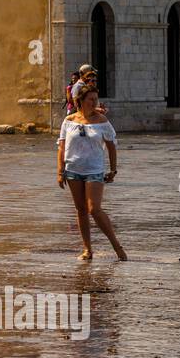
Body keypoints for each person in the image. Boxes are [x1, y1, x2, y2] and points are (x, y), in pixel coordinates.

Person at [56, 81, 126, 261]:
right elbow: (62, 147)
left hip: (94, 170)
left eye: (96, 99)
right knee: (81, 210)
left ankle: (117, 246)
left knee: (94, 209)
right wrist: (59, 170)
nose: (94, 102)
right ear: (81, 100)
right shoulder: (69, 121)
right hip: (73, 170)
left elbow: (111, 147)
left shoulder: (102, 122)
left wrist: (113, 169)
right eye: (90, 99)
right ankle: (87, 249)